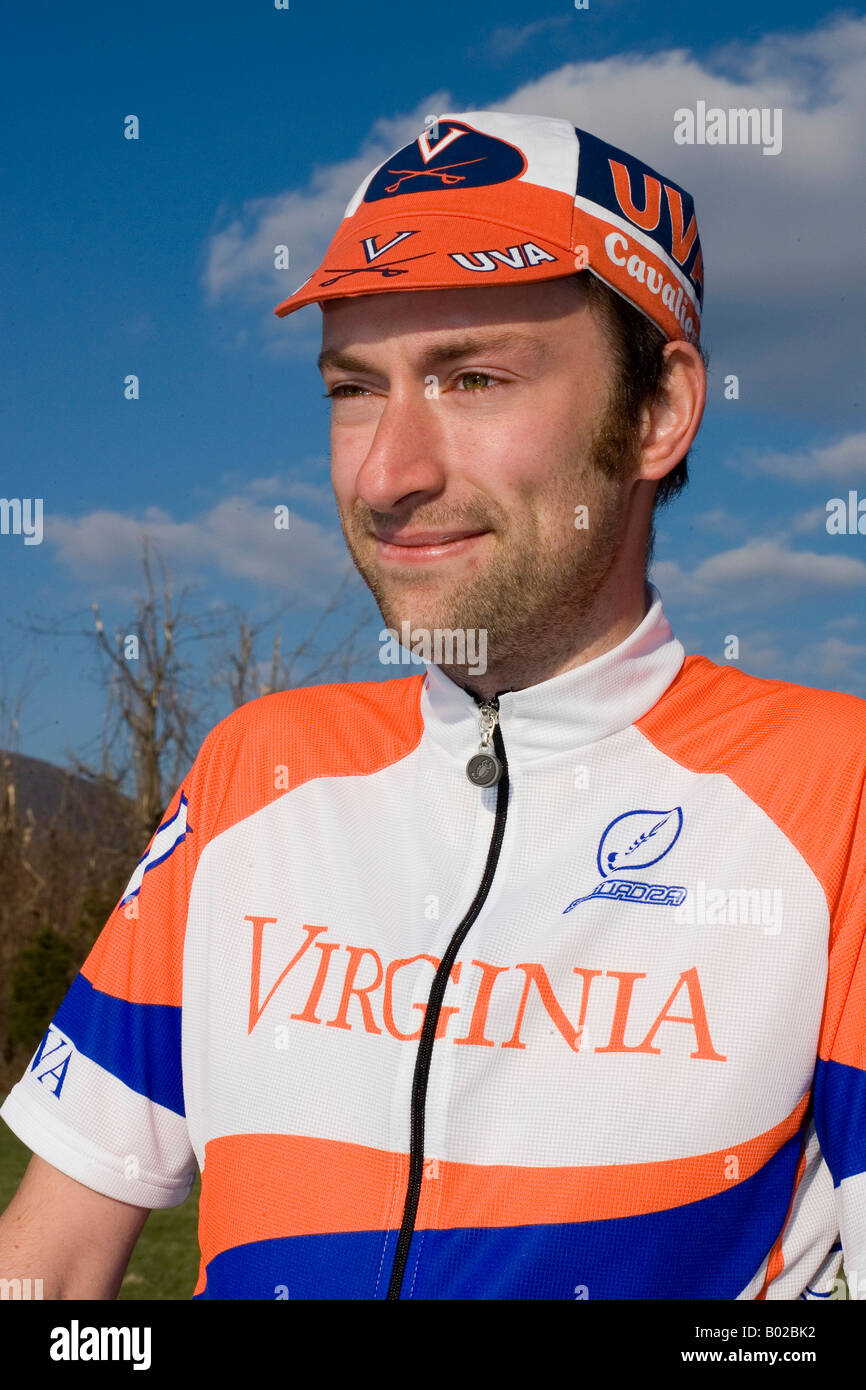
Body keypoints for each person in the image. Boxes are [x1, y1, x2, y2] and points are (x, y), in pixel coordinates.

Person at [0, 110, 863, 1301]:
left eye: (472, 377)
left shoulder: (835, 791)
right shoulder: (259, 769)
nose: (388, 471)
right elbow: (46, 1266)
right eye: (354, 389)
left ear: (658, 410)